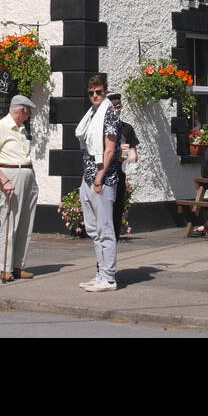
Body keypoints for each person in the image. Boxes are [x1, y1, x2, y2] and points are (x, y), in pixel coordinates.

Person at [0, 94, 38, 284]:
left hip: (27, 175)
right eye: (28, 111)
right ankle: (5, 269)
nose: (29, 115)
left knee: (25, 223)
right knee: (9, 223)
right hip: (10, 176)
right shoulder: (1, 127)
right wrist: (4, 180)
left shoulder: (22, 129)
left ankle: (17, 266)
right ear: (21, 110)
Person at [75, 74, 120, 293]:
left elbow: (109, 149)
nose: (95, 96)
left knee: (105, 229)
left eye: (99, 92)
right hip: (88, 177)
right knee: (93, 229)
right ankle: (101, 273)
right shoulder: (92, 114)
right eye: (91, 93)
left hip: (102, 179)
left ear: (105, 91)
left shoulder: (109, 114)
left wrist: (100, 177)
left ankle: (109, 278)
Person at [110, 94, 138, 240]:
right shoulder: (102, 128)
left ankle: (112, 248)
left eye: (118, 106)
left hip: (119, 175)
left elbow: (134, 156)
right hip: (104, 176)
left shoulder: (127, 128)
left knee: (116, 213)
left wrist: (126, 157)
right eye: (113, 106)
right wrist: (116, 151)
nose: (116, 109)